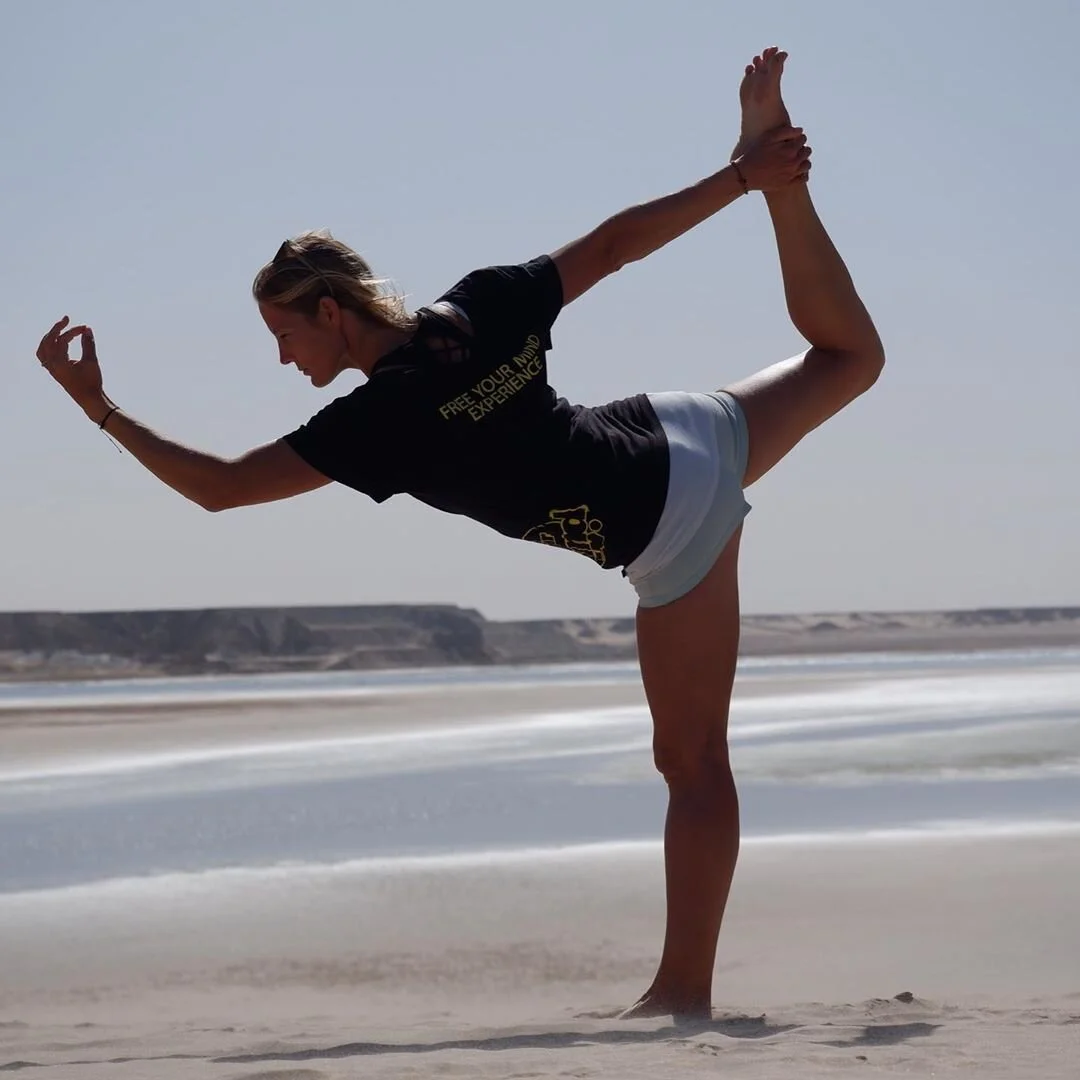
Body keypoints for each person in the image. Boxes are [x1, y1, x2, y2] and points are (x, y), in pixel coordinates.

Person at [37, 47, 883, 1019]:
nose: (281, 358)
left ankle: (683, 992)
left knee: (691, 765)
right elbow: (610, 246)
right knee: (850, 356)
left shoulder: (373, 424)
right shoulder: (472, 311)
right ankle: (777, 179)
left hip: (669, 520)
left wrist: (100, 411)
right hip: (674, 425)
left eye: (285, 336)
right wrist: (741, 179)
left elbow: (220, 490)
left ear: (329, 313)